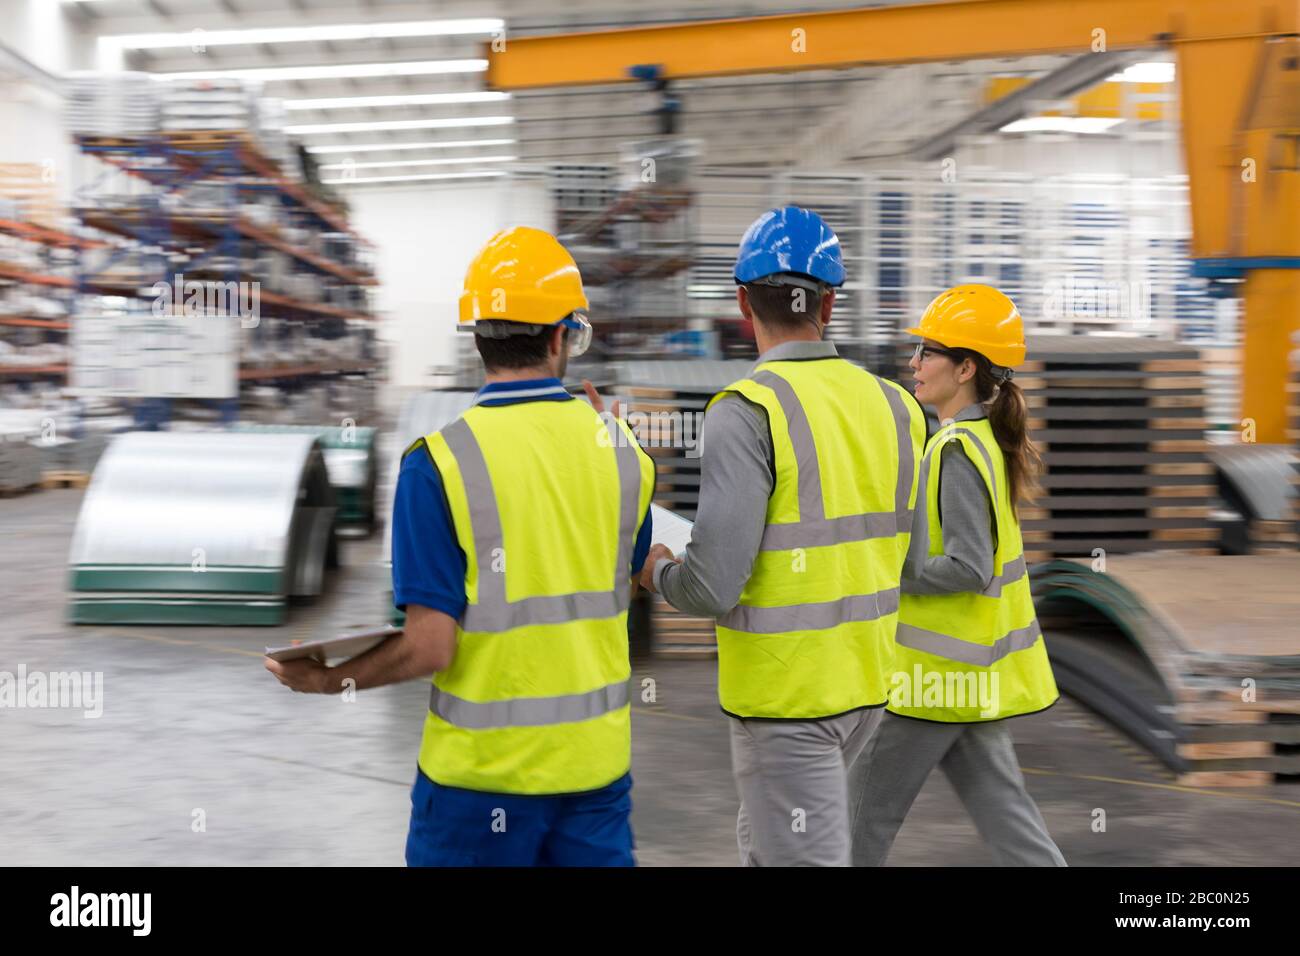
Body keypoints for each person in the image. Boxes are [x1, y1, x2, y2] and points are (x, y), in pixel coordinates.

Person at [266, 226, 656, 867]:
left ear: (476, 337)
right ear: (563, 337)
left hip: (479, 786)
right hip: (595, 778)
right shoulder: (622, 455)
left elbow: (429, 645)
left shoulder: (436, 466)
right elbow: (630, 573)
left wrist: (332, 680)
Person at [641, 206, 927, 866]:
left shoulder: (747, 410)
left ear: (743, 303)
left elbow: (713, 584)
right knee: (772, 843)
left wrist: (657, 570)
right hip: (867, 680)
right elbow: (898, 549)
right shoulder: (896, 406)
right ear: (830, 302)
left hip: (788, 696)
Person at [847, 283, 1065, 867]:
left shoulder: (957, 450)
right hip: (964, 680)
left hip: (927, 686)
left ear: (965, 367)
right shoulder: (982, 440)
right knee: (1014, 829)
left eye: (927, 353)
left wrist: (889, 571)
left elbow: (969, 566)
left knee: (852, 831)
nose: (913, 364)